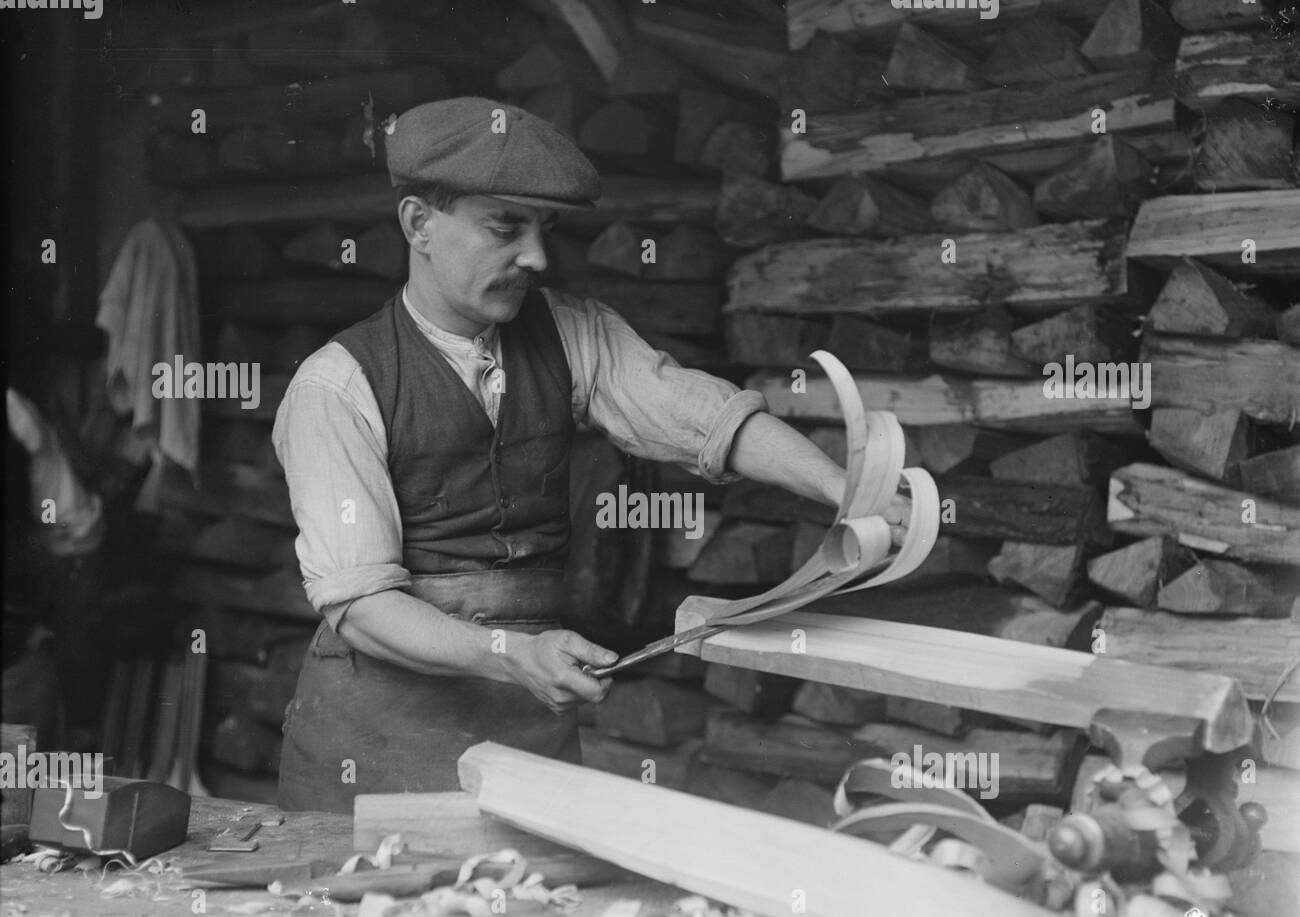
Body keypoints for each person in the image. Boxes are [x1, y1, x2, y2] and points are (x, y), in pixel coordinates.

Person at [273, 98, 905, 813]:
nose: (537, 258)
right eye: (505, 228)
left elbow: (706, 418)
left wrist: (846, 489)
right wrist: (511, 655)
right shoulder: (337, 385)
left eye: (546, 230)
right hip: (372, 748)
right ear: (419, 224)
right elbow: (360, 606)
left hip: (524, 734)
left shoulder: (570, 333)